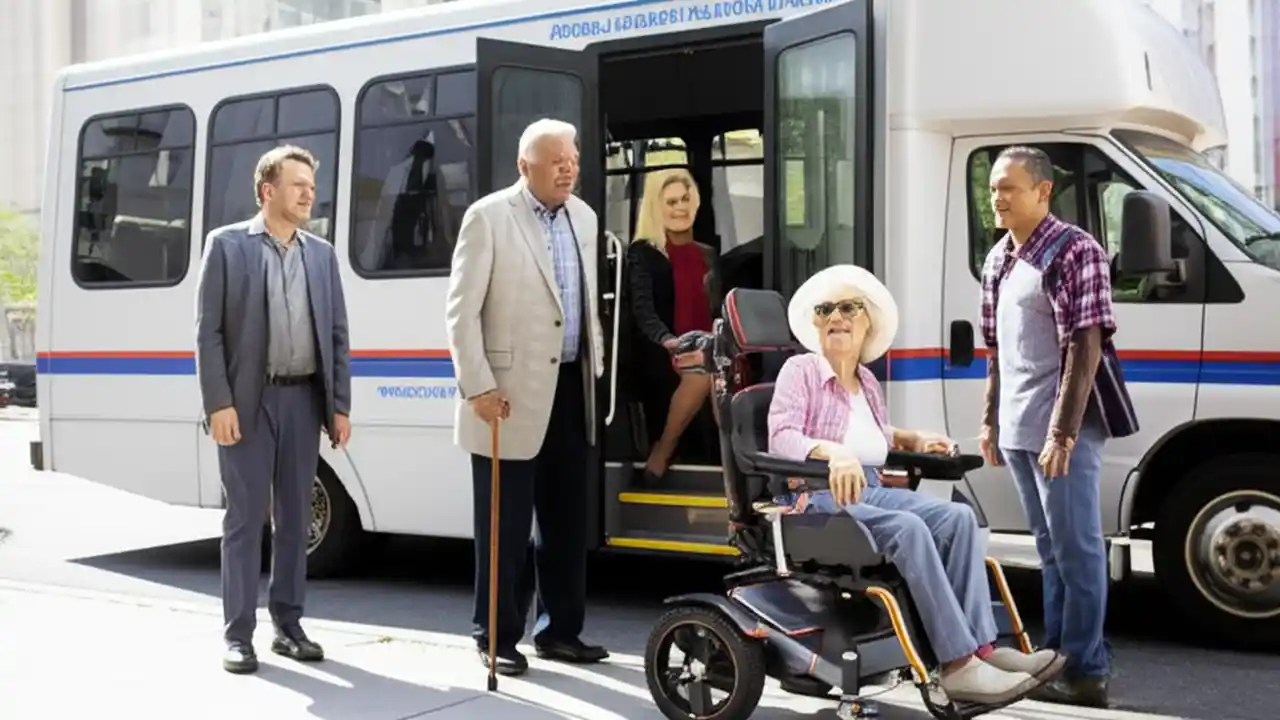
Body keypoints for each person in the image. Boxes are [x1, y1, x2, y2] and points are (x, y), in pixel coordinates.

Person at [768, 264, 1065, 706]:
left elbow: (876, 435)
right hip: (819, 499)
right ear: (816, 323)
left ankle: (983, 650)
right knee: (910, 530)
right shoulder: (802, 371)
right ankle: (959, 666)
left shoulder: (866, 380)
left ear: (867, 323)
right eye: (827, 309)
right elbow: (781, 436)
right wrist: (832, 454)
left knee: (959, 518)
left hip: (869, 490)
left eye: (850, 308)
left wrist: (912, 438)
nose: (837, 317)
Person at [445, 118, 608, 677]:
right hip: (505, 396)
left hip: (570, 387)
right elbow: (461, 313)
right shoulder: (488, 217)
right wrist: (479, 387)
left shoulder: (583, 217)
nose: (569, 166)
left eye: (574, 156)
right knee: (505, 529)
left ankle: (561, 631)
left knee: (565, 524)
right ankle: (495, 636)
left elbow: (583, 304)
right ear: (525, 165)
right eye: (556, 158)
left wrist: (599, 366)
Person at [978, 145, 1137, 708]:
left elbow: (1085, 346)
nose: (997, 197)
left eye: (1009, 188)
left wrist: (1063, 435)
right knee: (1048, 549)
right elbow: (996, 352)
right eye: (994, 187)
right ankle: (1057, 656)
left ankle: (1087, 668)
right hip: (1019, 427)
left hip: (1060, 429)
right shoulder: (999, 258)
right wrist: (990, 420)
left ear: (1043, 192)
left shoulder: (1075, 251)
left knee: (1078, 548)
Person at [195, 145, 352, 674]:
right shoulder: (227, 247)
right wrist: (218, 402)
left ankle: (288, 625)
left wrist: (339, 408)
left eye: (311, 184)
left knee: (295, 518)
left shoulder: (321, 254)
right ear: (268, 191)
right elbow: (208, 334)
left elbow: (336, 336)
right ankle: (238, 635)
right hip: (247, 402)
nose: (309, 193)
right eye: (297, 184)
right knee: (244, 519)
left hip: (304, 400)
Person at [626, 168, 721, 482]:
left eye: (685, 199)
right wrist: (667, 340)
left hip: (709, 345)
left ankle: (728, 464)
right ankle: (664, 450)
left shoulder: (708, 255)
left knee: (719, 370)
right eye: (671, 202)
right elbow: (643, 311)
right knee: (702, 374)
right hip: (666, 348)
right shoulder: (644, 253)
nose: (680, 208)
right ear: (656, 206)